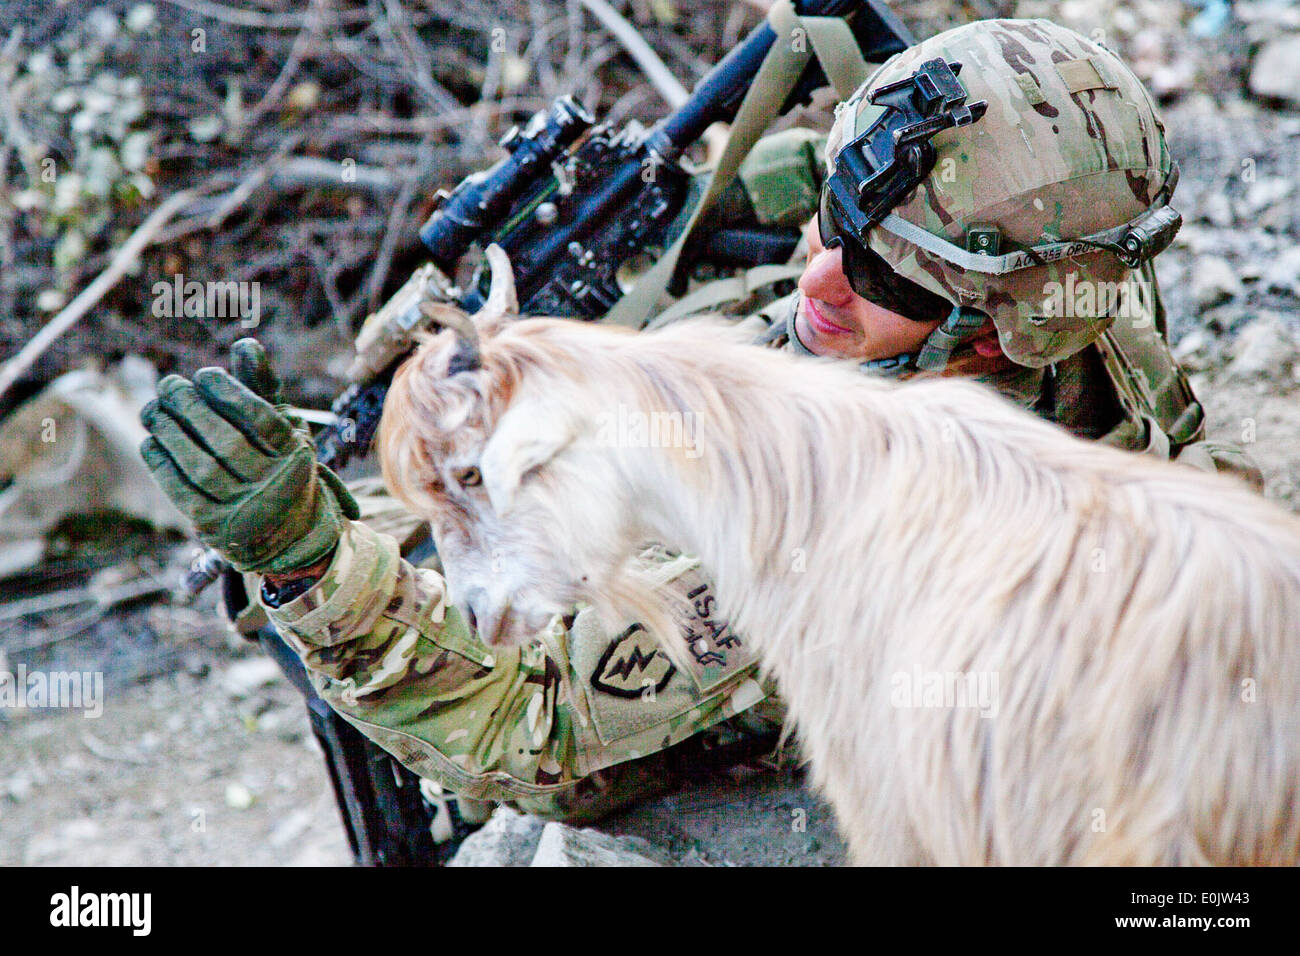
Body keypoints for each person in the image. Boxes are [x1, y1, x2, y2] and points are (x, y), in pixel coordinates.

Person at [139, 19, 1259, 832]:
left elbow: (523, 728)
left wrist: (309, 565)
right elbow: (969, 170)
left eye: (880, 274)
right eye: (831, 217)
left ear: (991, 329)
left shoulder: (854, 531)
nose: (819, 277)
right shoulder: (1073, 276)